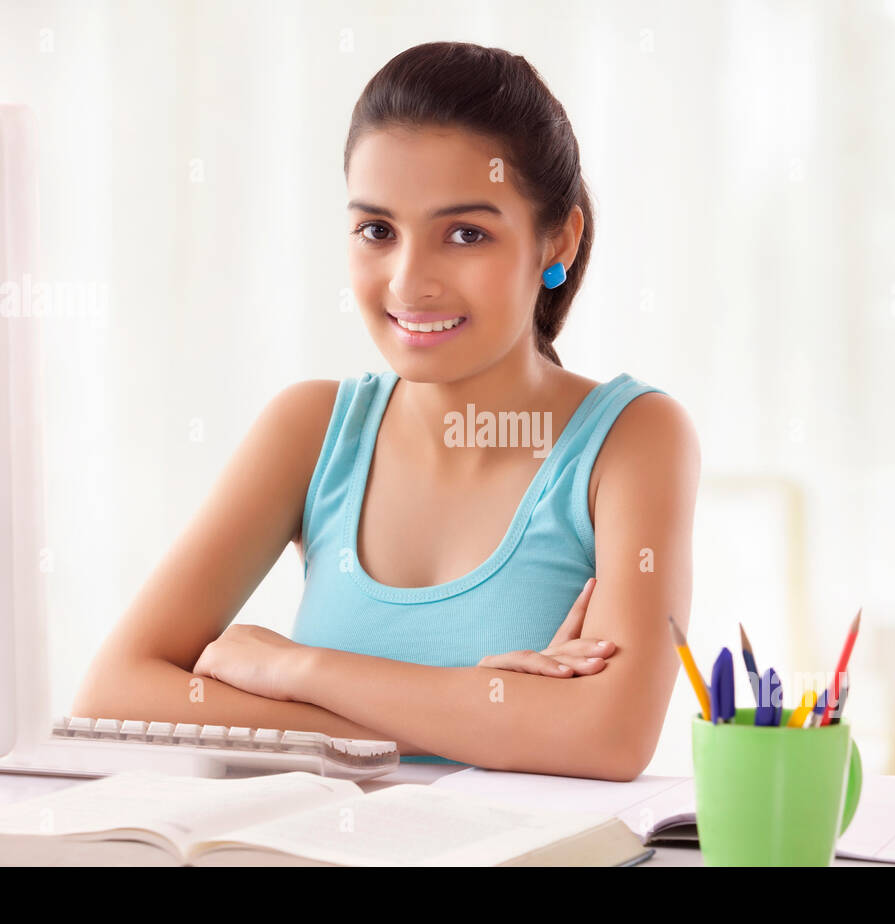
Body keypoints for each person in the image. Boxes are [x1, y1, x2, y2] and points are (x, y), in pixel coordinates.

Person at [74, 41, 700, 781]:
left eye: (466, 234)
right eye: (377, 231)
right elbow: (113, 696)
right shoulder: (309, 430)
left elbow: (606, 739)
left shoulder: (633, 440)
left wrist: (297, 667)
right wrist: (488, 716)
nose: (410, 281)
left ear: (556, 240)